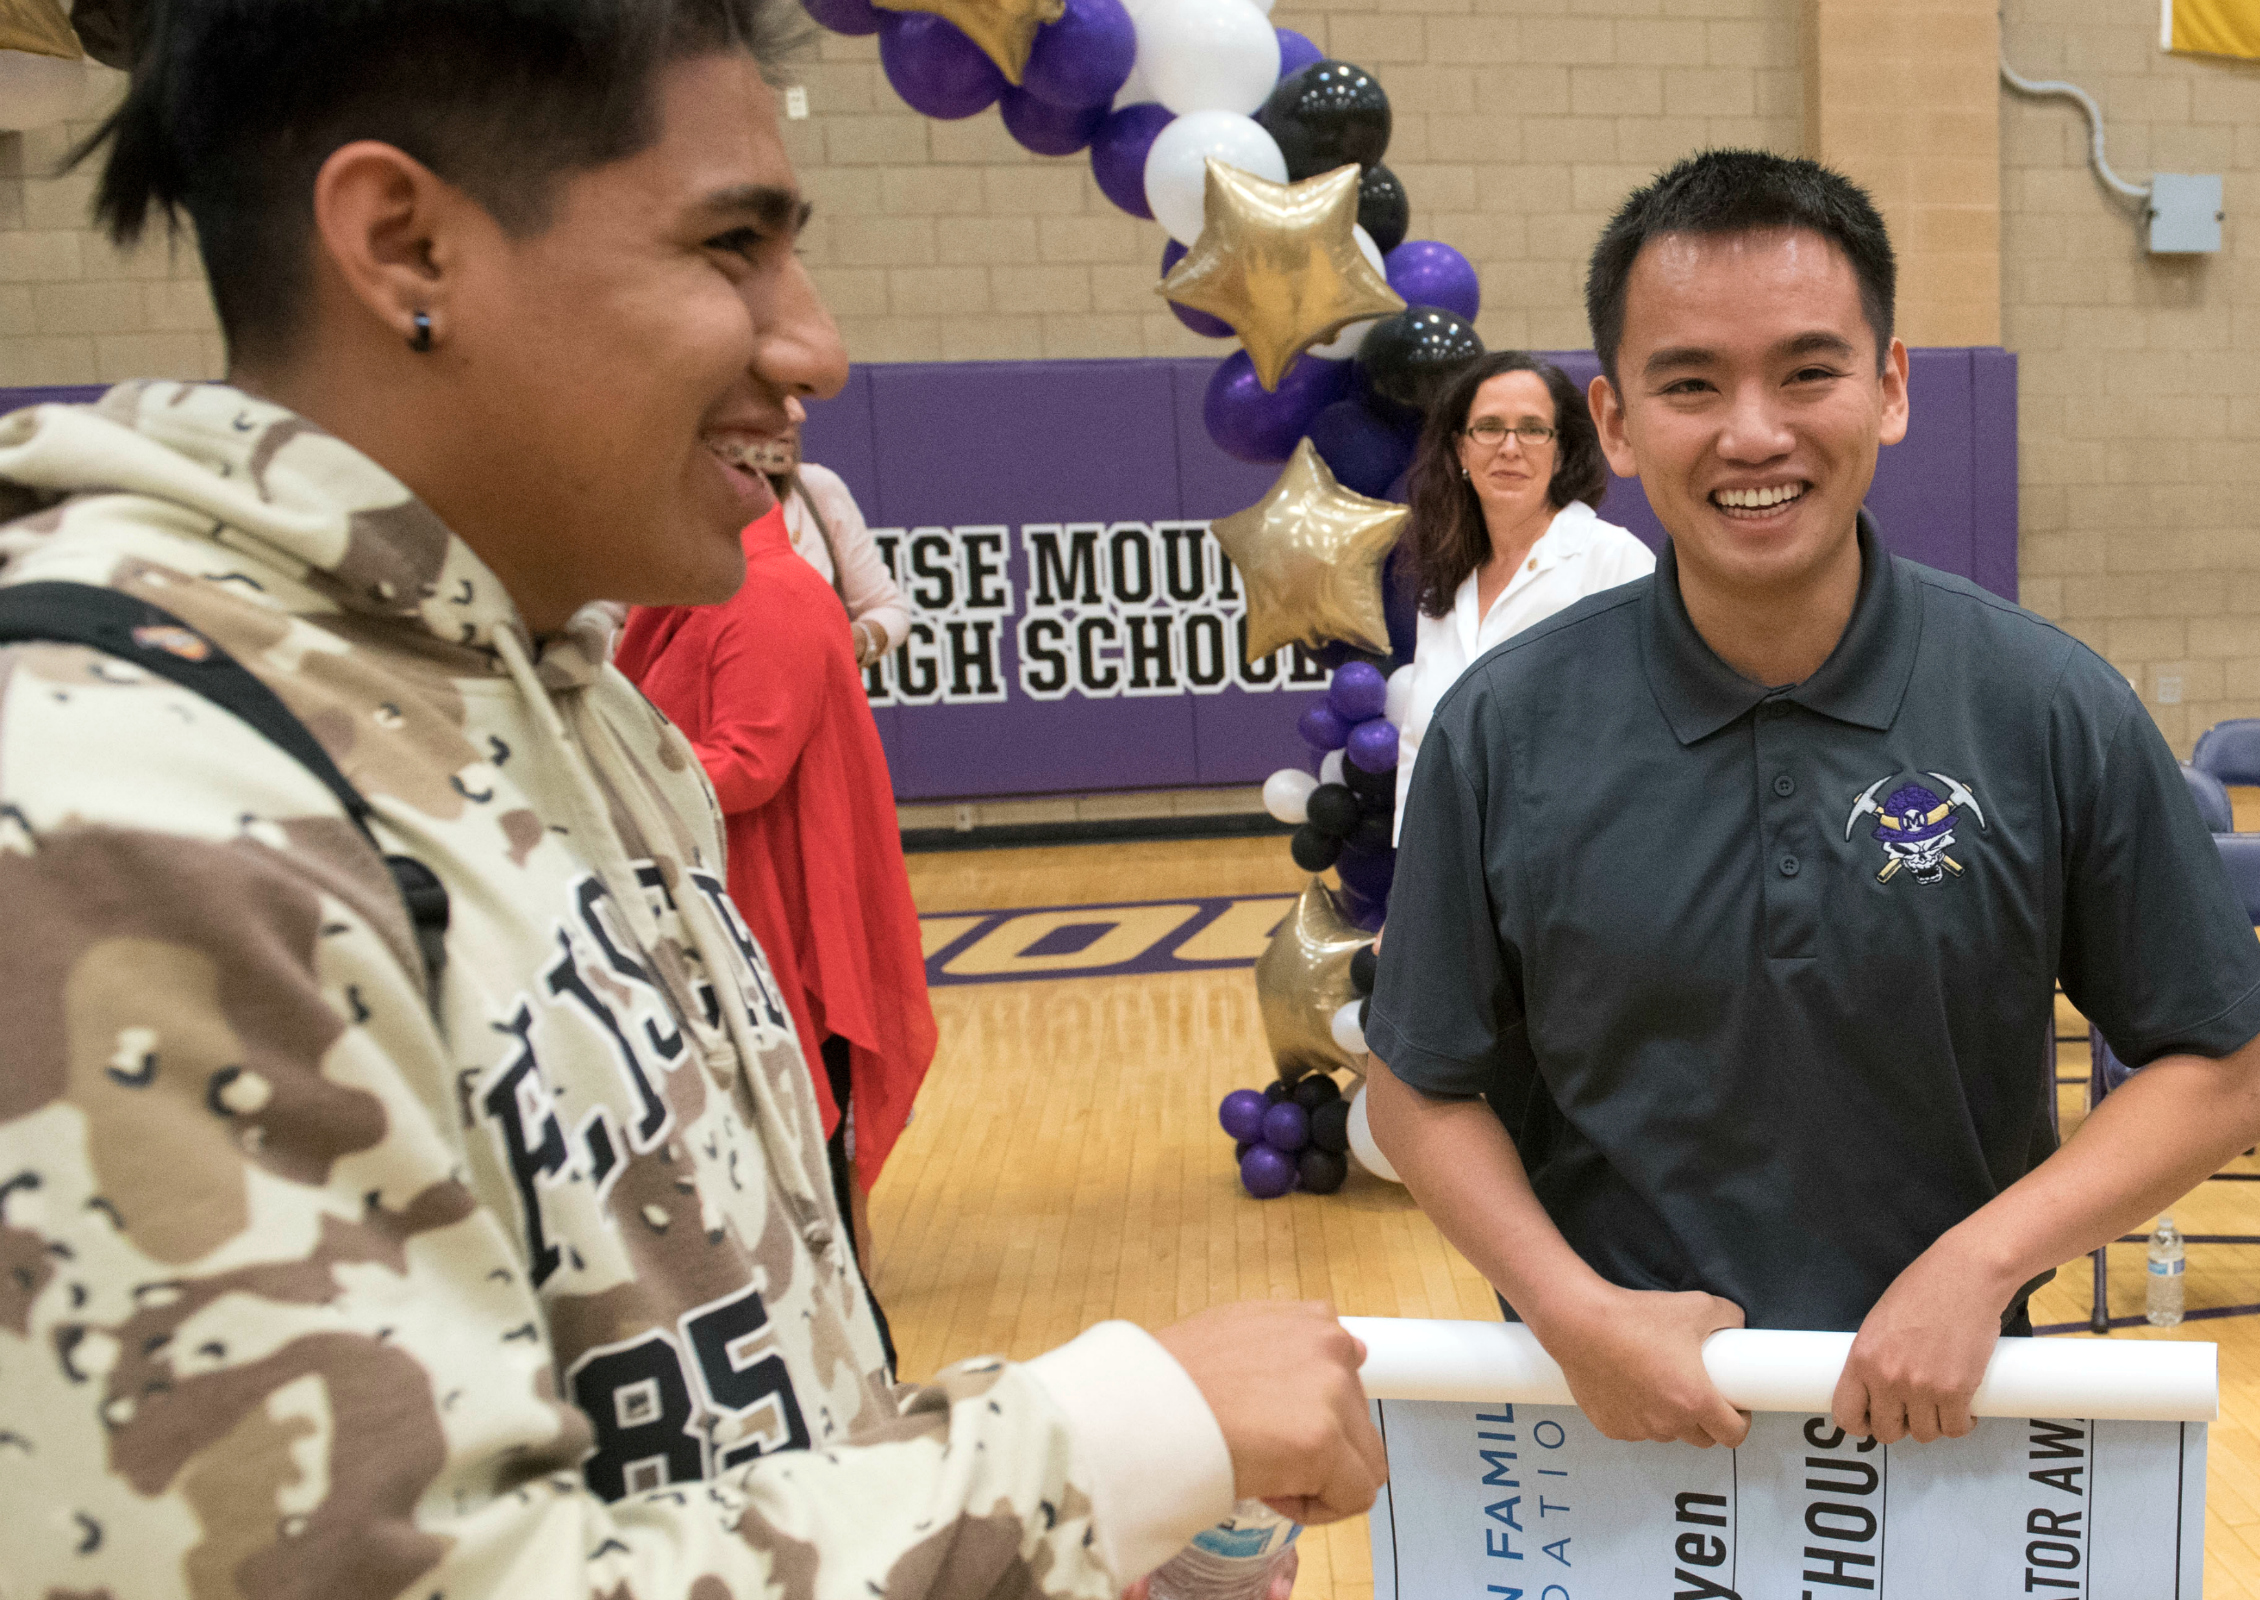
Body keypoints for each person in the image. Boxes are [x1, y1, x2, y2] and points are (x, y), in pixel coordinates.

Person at [0, 5, 1384, 1598]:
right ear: (404, 246)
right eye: (733, 247)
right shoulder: (111, 787)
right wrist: (1102, 1450)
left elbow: (710, 1423)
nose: (814, 346)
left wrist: (1051, 1549)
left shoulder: (569, 703)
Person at [1361, 149, 2260, 1452]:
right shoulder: (1506, 730)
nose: (1755, 432)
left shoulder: (2045, 706)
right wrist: (1571, 1312)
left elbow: (2232, 1070)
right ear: (1614, 425)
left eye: (1809, 371)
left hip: (1950, 1440)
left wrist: (1981, 1263)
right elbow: (1417, 1087)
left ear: (1891, 386)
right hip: (1613, 1438)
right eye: (1690, 383)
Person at [616, 500, 931, 1288]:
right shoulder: (687, 597)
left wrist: (602, 773)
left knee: (804, 1195)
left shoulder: (765, 596)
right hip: (723, 925)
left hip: (770, 938)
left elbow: (747, 765)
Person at [1390, 352, 1654, 841]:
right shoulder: (1446, 585)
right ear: (1460, 450)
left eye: (1533, 429)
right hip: (1457, 873)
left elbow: (1649, 740)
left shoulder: (1613, 562)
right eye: (1489, 427)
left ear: (1560, 451)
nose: (1510, 447)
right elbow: (1418, 747)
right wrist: (1409, 887)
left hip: (1577, 871)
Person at [777, 394, 910, 668]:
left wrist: (858, 641)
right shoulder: (686, 508)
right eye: (775, 396)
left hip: (817, 705)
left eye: (795, 395)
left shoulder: (817, 489)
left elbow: (889, 607)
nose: (797, 413)